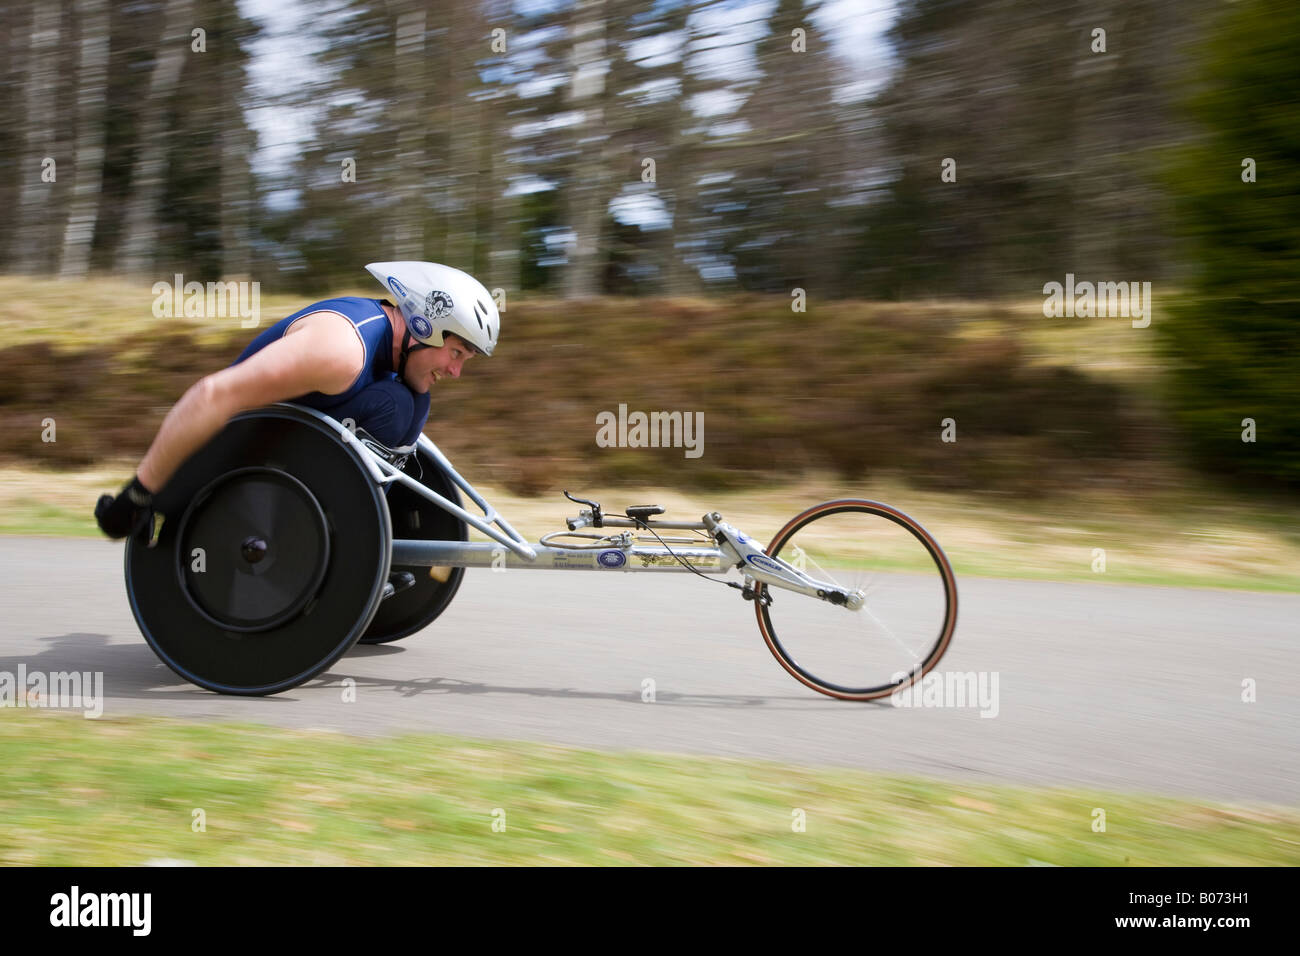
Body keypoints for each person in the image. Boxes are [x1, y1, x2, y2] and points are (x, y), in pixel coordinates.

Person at [94, 261, 499, 540]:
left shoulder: (391, 357)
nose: (456, 371)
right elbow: (212, 393)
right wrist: (140, 493)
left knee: (411, 401)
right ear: (424, 324)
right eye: (457, 353)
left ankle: (351, 541)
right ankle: (319, 544)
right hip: (226, 471)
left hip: (281, 456)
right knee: (394, 404)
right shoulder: (341, 350)